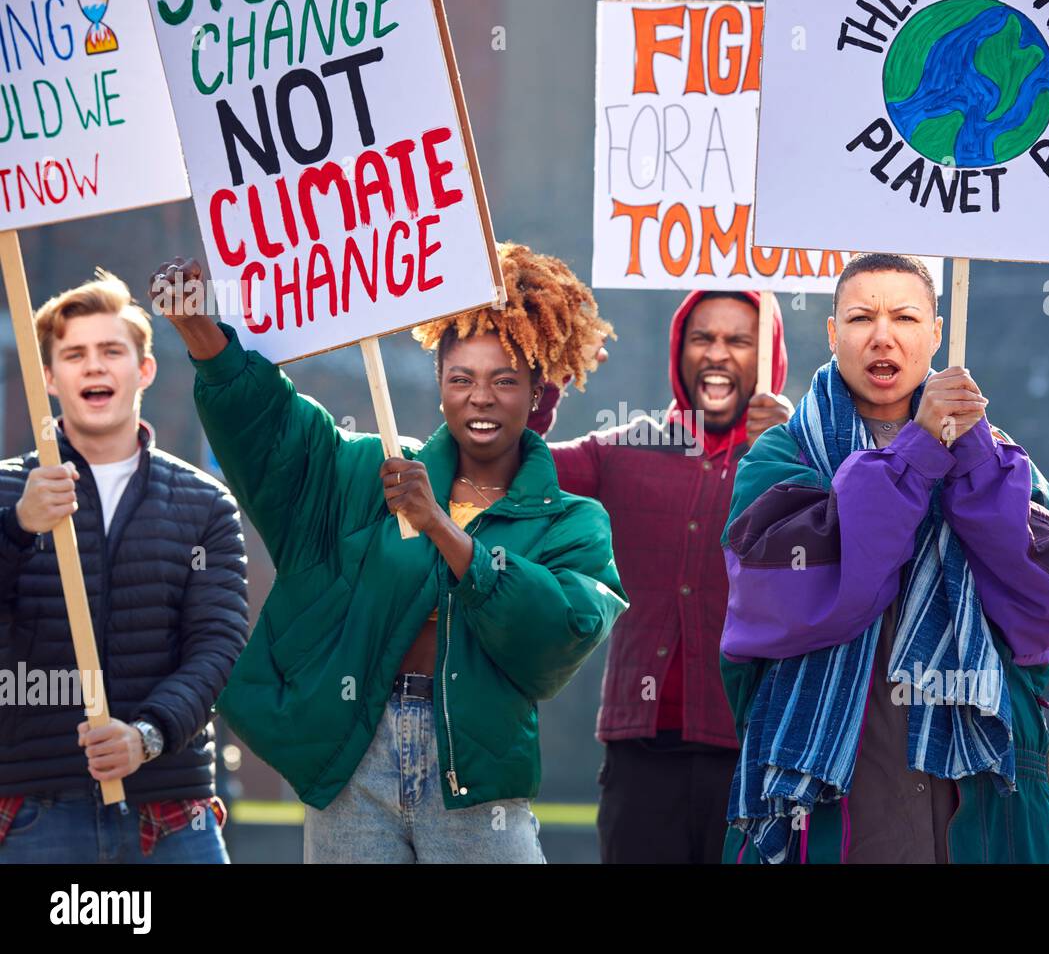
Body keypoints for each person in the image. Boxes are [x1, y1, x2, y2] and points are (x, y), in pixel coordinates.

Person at [151, 242, 628, 863]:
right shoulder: (369, 473)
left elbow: (551, 644)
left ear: (537, 391)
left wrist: (444, 529)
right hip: (356, 762)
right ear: (439, 386)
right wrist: (203, 335)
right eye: (461, 378)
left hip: (477, 782)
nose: (479, 397)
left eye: (503, 379)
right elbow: (274, 434)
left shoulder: (573, 523)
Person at [718, 253, 1049, 864]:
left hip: (977, 792)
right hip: (838, 785)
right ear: (833, 333)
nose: (883, 336)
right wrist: (917, 454)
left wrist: (971, 463)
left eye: (906, 316)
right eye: (862, 317)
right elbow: (803, 598)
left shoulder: (994, 459)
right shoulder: (781, 455)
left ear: (938, 332)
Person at [531, 290, 792, 864]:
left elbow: (856, 542)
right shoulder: (625, 449)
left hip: (758, 758)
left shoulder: (800, 460)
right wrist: (544, 382)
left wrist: (796, 451)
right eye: (702, 338)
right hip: (641, 760)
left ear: (768, 356)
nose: (717, 353)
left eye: (738, 340)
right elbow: (516, 472)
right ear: (679, 352)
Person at [0, 271, 247, 864]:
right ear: (50, 378)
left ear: (144, 370)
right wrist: (17, 527)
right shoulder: (9, 491)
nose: (94, 366)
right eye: (74, 354)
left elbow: (219, 646)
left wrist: (148, 736)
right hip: (34, 809)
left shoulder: (204, 503)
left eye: (112, 351)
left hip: (170, 808)